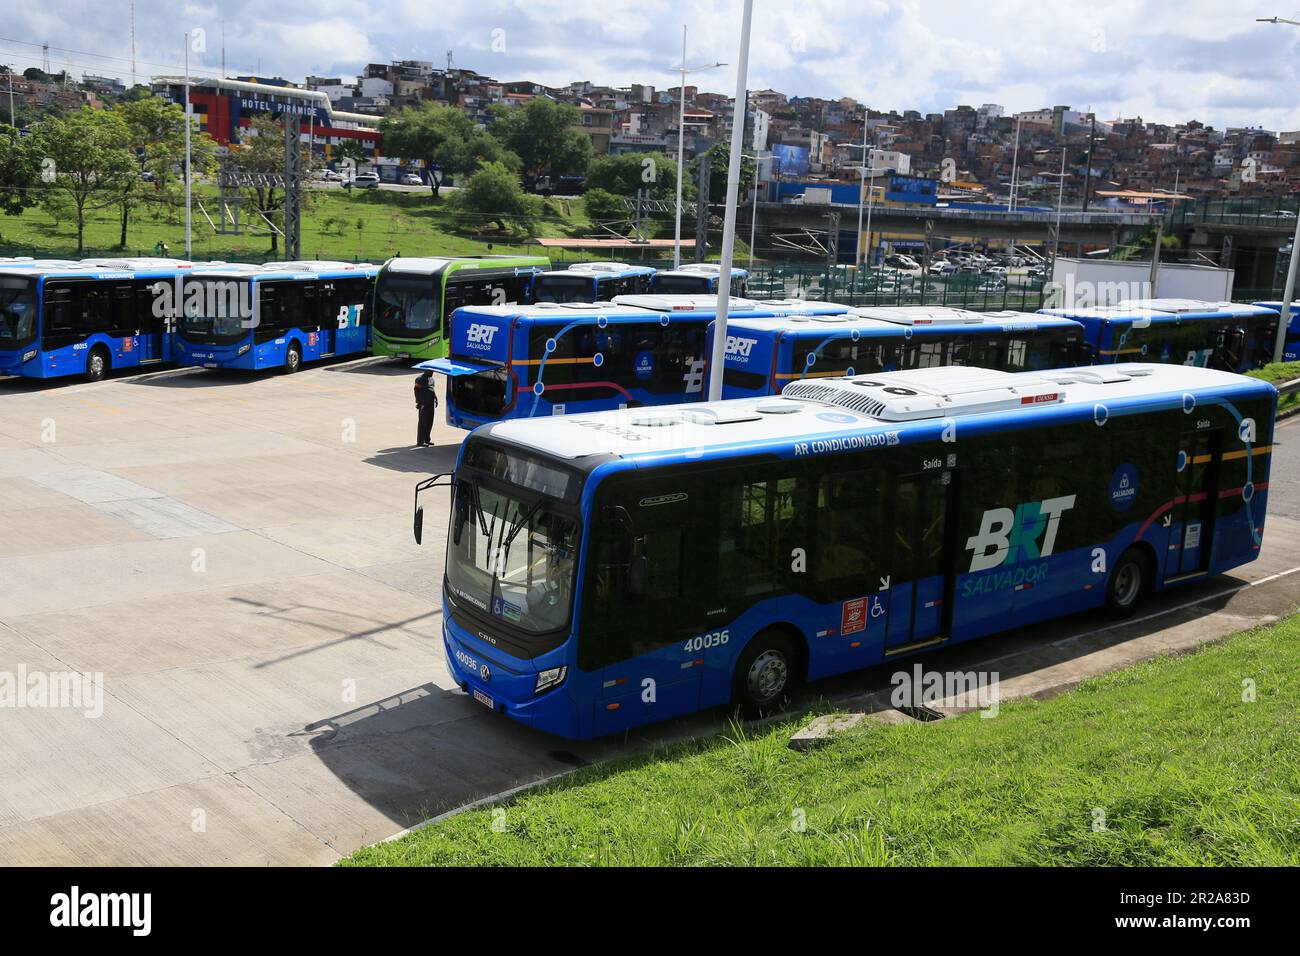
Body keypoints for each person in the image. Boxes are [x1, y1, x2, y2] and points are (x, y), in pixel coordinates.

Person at [414, 370, 438, 447]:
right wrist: (418, 402)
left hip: (431, 403)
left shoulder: (432, 379)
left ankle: (427, 439)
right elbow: (416, 390)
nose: (432, 373)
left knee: (429, 422)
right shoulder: (420, 379)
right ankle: (420, 441)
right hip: (424, 403)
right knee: (423, 422)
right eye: (430, 371)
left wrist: (436, 398)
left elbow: (432, 389)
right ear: (426, 371)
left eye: (432, 371)